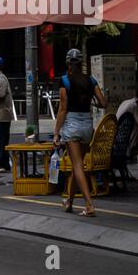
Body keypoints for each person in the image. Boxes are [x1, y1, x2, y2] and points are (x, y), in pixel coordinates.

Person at [54, 48, 107, 216]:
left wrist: (56, 132)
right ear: (82, 63)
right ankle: (69, 201)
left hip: (72, 124)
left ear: (68, 64)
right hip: (87, 125)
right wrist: (93, 104)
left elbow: (63, 108)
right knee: (78, 167)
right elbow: (104, 103)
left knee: (77, 165)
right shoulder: (90, 80)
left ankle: (89, 205)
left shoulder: (64, 81)